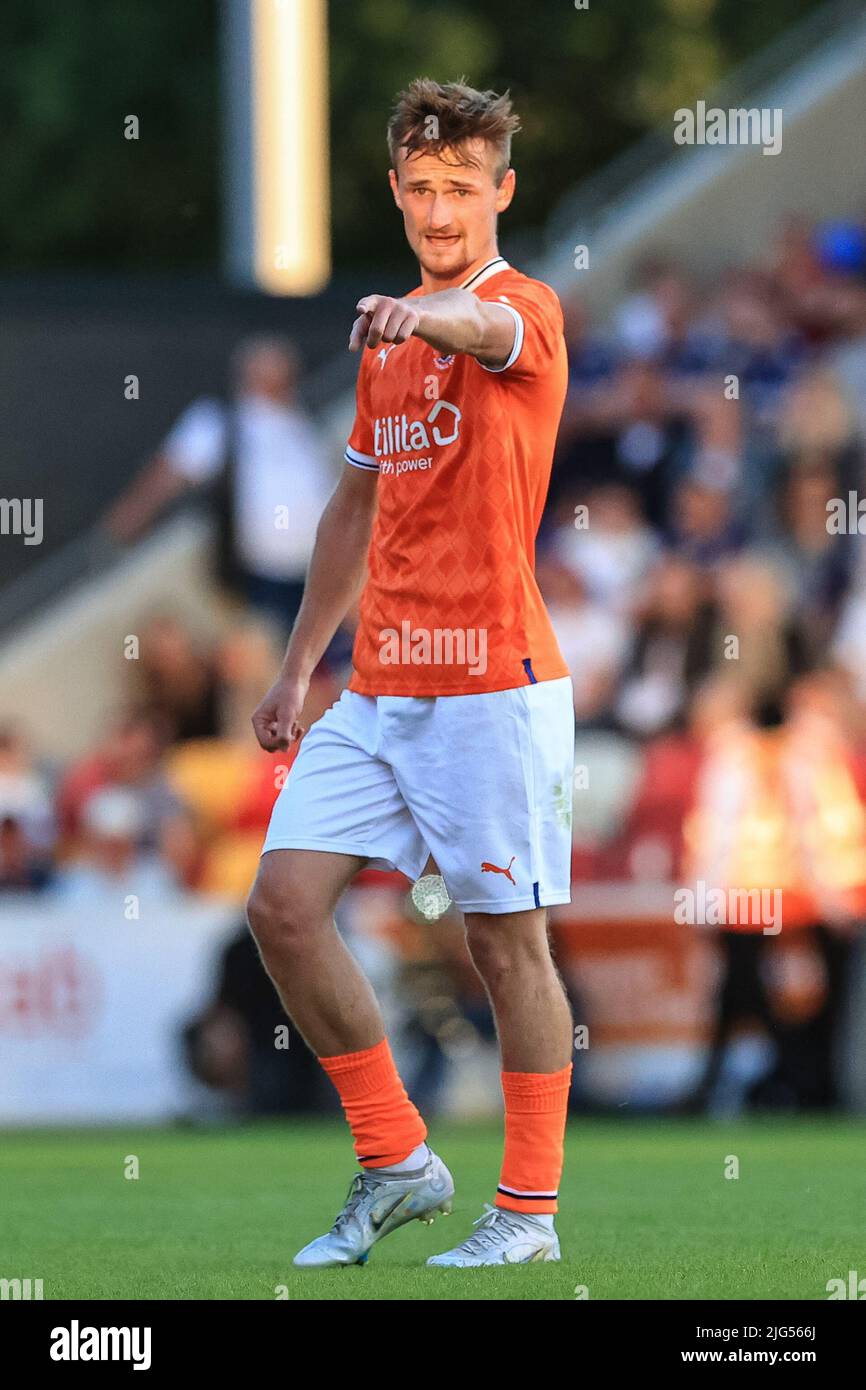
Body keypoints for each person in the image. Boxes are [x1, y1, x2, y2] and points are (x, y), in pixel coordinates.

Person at [247, 79, 576, 1270]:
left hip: (493, 681)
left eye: (461, 188)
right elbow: (351, 505)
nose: (440, 209)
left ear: (501, 191)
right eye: (420, 188)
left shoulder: (517, 307)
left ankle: (527, 1216)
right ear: (395, 191)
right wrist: (297, 671)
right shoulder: (386, 342)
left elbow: (484, 334)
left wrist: (418, 316)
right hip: (378, 685)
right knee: (281, 908)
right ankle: (397, 1159)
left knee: (506, 947)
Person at [105, 336, 332, 633]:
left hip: (320, 572)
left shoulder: (303, 423)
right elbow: (169, 472)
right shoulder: (219, 421)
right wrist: (124, 523)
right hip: (264, 579)